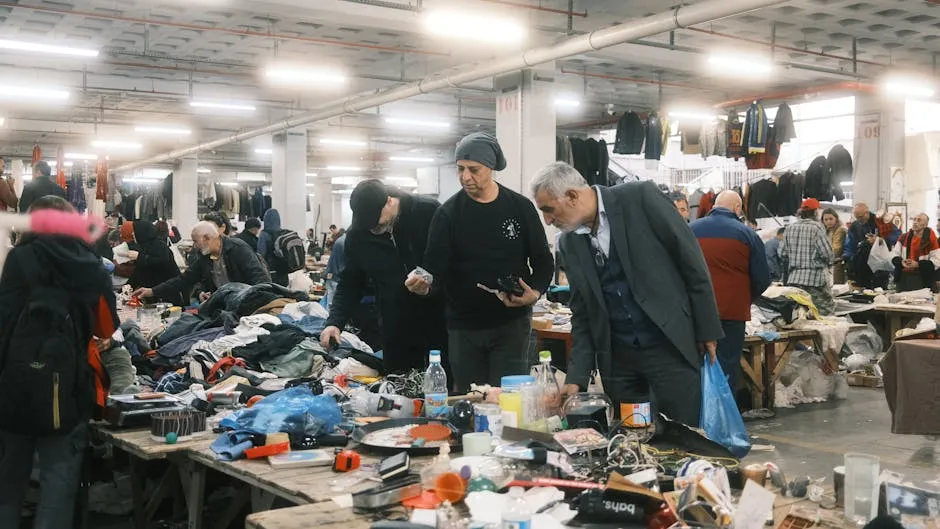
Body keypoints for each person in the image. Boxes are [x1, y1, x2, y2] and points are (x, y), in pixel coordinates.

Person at [528, 162, 721, 426]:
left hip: (669, 346)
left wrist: (707, 328)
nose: (548, 220)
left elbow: (691, 261)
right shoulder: (570, 243)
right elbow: (583, 314)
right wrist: (575, 379)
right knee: (631, 438)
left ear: (572, 196)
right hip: (619, 362)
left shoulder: (640, 198)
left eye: (548, 210)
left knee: (682, 434)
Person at [0, 195, 119, 529]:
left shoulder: (18, 259)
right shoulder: (89, 264)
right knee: (58, 485)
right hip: (65, 389)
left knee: (7, 487)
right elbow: (105, 326)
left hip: (13, 384)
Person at [407, 132, 554, 392]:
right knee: (470, 398)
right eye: (460, 169)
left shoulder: (519, 208)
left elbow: (543, 260)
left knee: (511, 399)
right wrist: (425, 285)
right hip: (464, 328)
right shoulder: (448, 214)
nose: (465, 177)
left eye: (473, 170)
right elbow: (434, 270)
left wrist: (535, 292)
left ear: (491, 168)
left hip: (512, 324)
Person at [320, 180, 447, 374]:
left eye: (377, 224)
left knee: (441, 386)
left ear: (389, 201)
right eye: (367, 225)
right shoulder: (359, 234)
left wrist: (432, 287)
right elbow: (350, 282)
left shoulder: (427, 212)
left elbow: (451, 261)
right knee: (399, 389)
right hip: (396, 326)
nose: (373, 230)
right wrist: (334, 323)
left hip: (438, 319)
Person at [691, 190, 770, 390]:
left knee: (696, 366)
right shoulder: (748, 235)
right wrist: (744, 298)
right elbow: (762, 279)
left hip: (695, 312)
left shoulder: (690, 230)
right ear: (738, 208)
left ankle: (697, 415)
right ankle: (723, 416)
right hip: (731, 313)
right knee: (726, 365)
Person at [132, 221, 270, 303]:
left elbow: (260, 279)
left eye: (196, 241)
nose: (195, 246)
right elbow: (184, 280)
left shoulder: (238, 249)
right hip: (223, 306)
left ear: (207, 238)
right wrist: (152, 291)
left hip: (246, 305)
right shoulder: (205, 257)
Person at [780, 198, 835, 315]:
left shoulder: (789, 228)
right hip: (815, 281)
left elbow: (782, 254)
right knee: (825, 313)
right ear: (815, 212)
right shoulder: (817, 228)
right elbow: (827, 254)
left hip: (794, 280)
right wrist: (829, 263)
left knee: (800, 315)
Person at [119, 221, 183, 305]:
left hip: (167, 297)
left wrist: (139, 257)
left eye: (135, 232)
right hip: (152, 297)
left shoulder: (160, 246)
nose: (133, 234)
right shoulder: (143, 248)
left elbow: (161, 262)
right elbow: (138, 273)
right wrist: (122, 292)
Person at [844, 202, 900, 289]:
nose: (858, 220)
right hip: (861, 265)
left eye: (860, 217)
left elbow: (897, 236)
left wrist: (880, 240)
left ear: (867, 213)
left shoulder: (882, 221)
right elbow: (850, 245)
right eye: (856, 217)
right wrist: (848, 259)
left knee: (879, 291)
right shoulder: (854, 226)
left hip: (880, 264)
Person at [892, 213, 940, 292]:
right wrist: (901, 262)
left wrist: (918, 264)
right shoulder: (903, 237)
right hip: (903, 278)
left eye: (919, 220)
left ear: (925, 225)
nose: (915, 222)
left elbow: (937, 262)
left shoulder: (931, 240)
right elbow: (894, 255)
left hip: (922, 279)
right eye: (914, 219)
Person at [257, 209, 290, 287]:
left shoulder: (264, 234)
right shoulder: (283, 234)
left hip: (271, 273)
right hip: (284, 273)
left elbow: (260, 255)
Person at [822, 208, 847, 285]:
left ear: (836, 218)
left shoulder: (841, 229)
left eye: (831, 219)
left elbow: (836, 248)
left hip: (839, 262)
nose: (828, 221)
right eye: (825, 219)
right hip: (831, 261)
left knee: (838, 286)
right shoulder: (827, 230)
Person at [324, 231, 346, 310]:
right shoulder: (348, 242)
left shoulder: (341, 240)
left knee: (330, 307)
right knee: (336, 308)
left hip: (331, 277)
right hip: (337, 280)